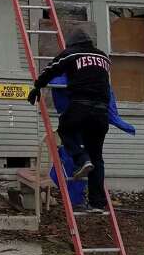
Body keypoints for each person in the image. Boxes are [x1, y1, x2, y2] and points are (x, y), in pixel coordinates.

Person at [27, 28, 111, 211]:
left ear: (72, 43)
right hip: (102, 111)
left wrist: (37, 86)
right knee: (97, 156)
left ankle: (81, 159)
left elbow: (51, 69)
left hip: (81, 104)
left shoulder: (72, 53)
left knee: (65, 129)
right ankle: (98, 203)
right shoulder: (103, 57)